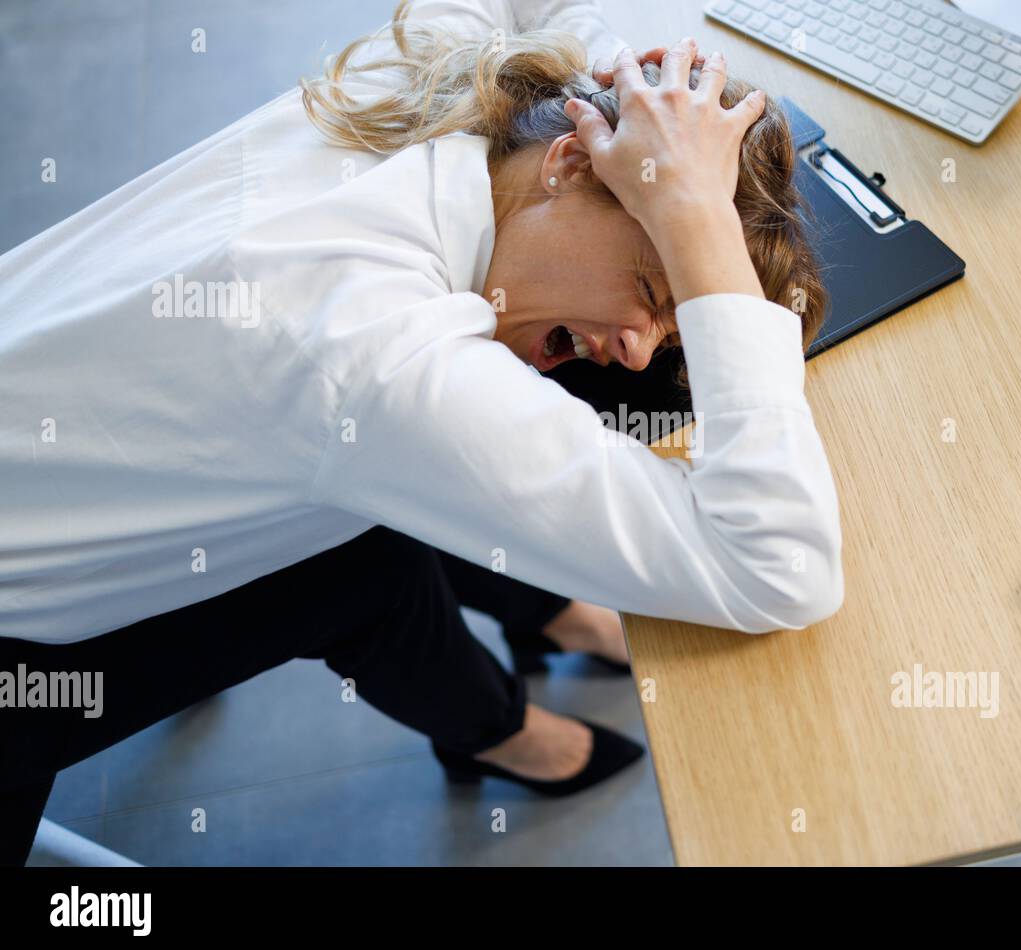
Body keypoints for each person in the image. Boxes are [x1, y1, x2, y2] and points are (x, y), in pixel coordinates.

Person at [0, 0, 842, 865]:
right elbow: (777, 568)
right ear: (570, 161)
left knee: (366, 552)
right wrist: (694, 220)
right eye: (653, 284)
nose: (635, 352)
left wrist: (631, 81)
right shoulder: (377, 355)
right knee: (359, 567)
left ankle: (537, 623)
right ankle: (514, 687)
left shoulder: (425, 69)